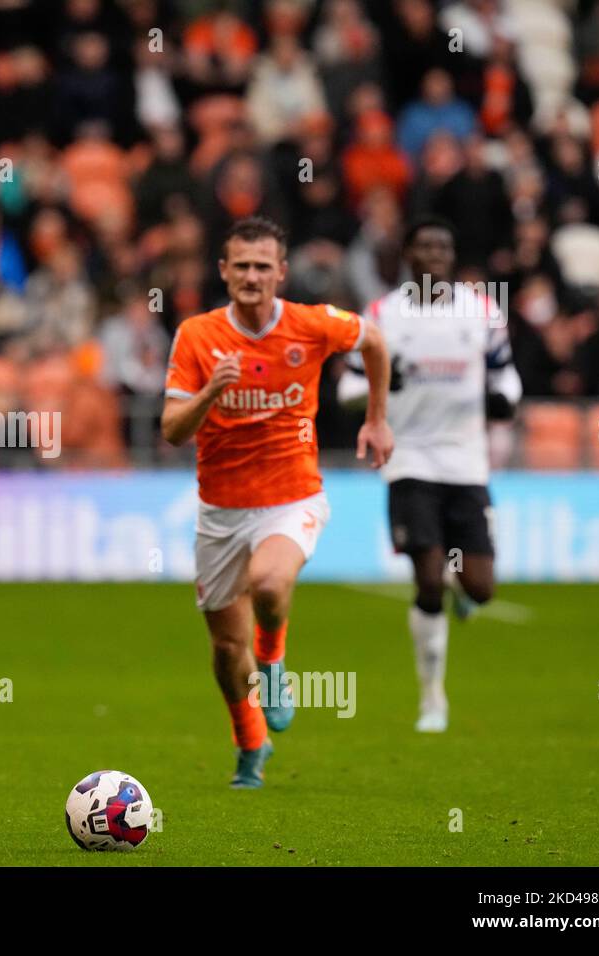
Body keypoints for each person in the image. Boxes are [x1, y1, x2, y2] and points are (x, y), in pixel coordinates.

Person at [161, 216, 393, 788]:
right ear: (224, 271)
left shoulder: (313, 326)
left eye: (263, 266)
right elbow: (171, 430)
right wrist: (213, 390)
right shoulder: (197, 336)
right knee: (223, 649)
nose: (251, 276)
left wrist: (378, 419)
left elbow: (377, 340)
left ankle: (274, 664)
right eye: (241, 265)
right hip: (220, 509)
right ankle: (250, 742)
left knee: (269, 583)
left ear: (281, 273)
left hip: (293, 495)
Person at [338, 215, 522, 732]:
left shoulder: (482, 311)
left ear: (452, 255)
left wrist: (503, 399)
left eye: (443, 246)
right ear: (409, 256)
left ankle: (467, 597)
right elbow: (347, 390)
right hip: (409, 459)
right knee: (427, 577)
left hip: (467, 462)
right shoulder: (382, 315)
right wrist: (385, 386)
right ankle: (432, 698)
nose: (435, 255)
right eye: (425, 246)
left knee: (481, 588)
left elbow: (507, 374)